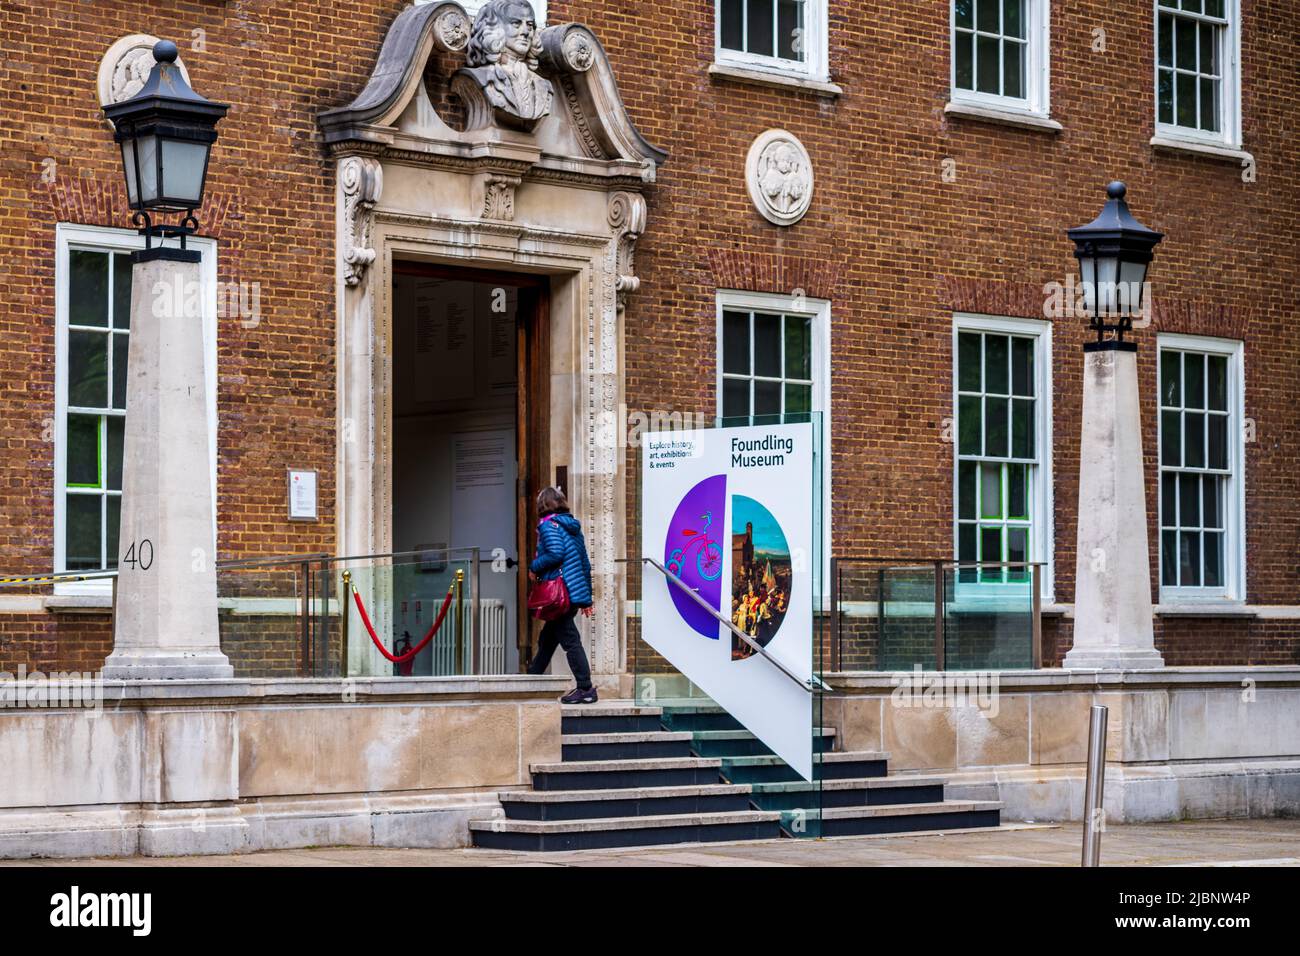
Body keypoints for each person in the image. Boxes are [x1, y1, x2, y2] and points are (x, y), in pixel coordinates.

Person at [526, 486, 597, 703]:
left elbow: (555, 553)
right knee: (547, 638)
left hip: (558, 594)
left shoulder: (549, 525)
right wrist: (585, 598)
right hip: (571, 593)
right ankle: (532, 681)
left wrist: (534, 566)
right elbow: (584, 564)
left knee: (570, 640)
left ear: (543, 504)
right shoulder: (572, 527)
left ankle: (585, 688)